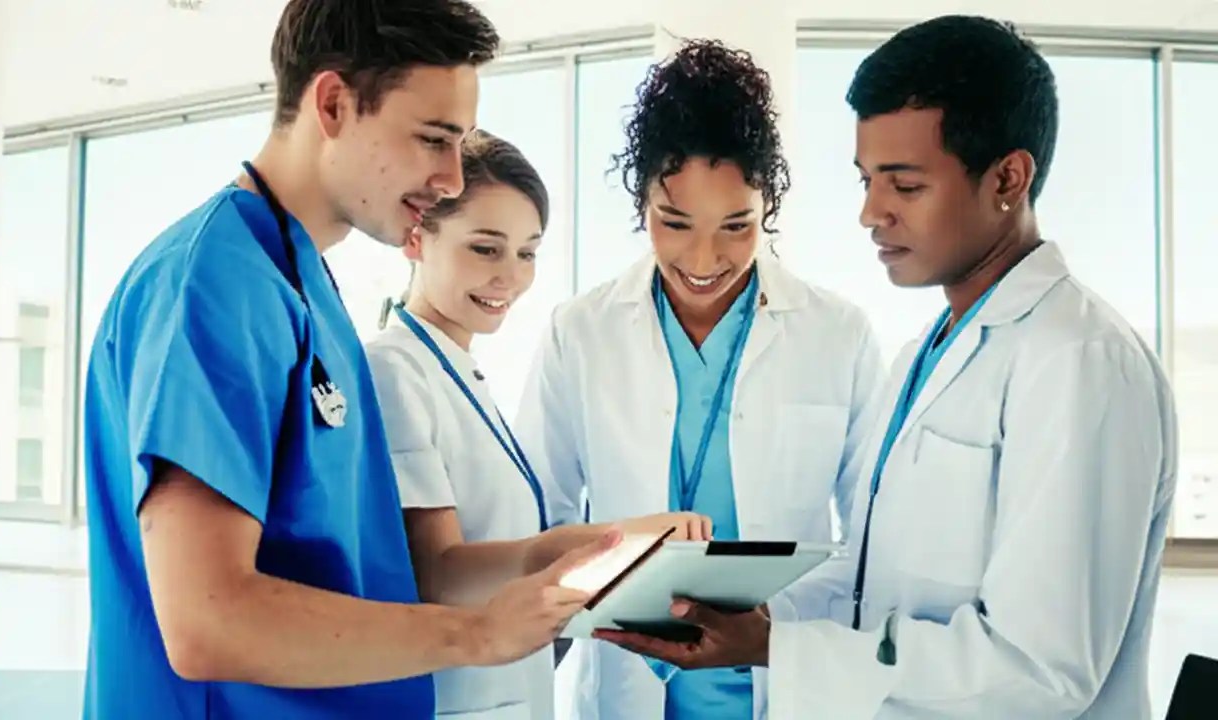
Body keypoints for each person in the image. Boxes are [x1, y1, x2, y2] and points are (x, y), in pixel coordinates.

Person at [595, 16, 1178, 720]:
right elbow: (871, 579)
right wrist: (733, 617)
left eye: (904, 185)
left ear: (1007, 179)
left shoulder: (1080, 364)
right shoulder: (925, 356)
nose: (871, 213)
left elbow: (1039, 670)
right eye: (867, 180)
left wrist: (778, 647)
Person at [81, 2, 619, 718]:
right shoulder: (211, 286)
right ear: (332, 103)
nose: (453, 177)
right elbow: (207, 618)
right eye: (433, 138)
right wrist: (474, 634)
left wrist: (541, 560)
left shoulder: (305, 287)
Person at [515, 39, 885, 720]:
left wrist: (770, 618)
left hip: (784, 679)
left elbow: (869, 536)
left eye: (737, 226)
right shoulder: (581, 332)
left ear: (767, 205)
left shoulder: (839, 333)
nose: (705, 257)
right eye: (674, 222)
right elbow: (544, 517)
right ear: (641, 204)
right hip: (628, 683)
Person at [365, 129, 712, 720]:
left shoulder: (460, 375)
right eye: (485, 248)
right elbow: (437, 573)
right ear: (417, 236)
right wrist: (611, 543)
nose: (510, 277)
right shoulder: (394, 370)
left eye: (527, 253)